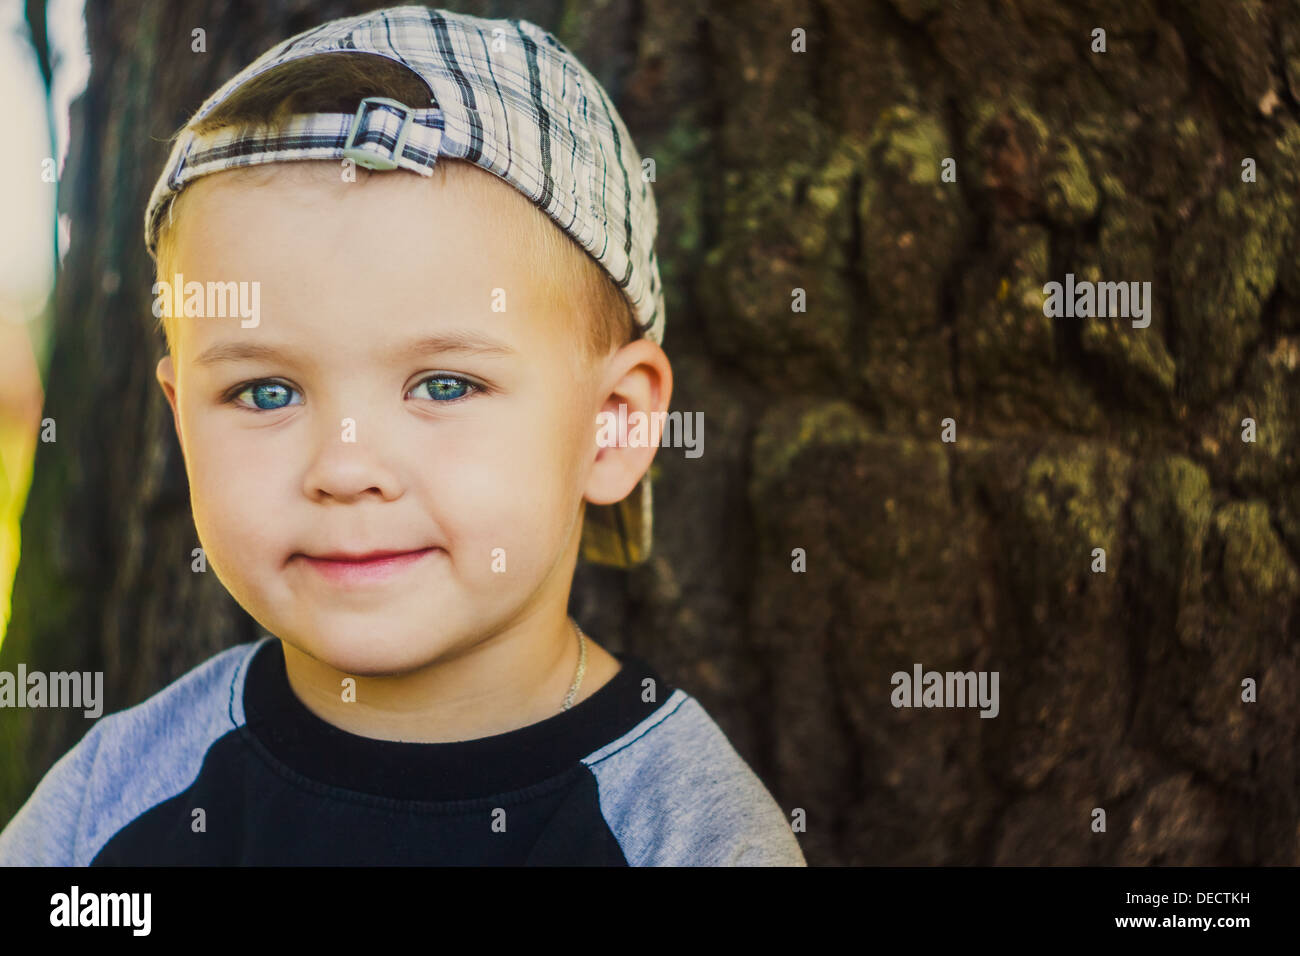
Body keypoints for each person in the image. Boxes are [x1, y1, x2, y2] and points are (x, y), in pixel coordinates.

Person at [0, 5, 805, 865]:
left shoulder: (688, 837)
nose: (346, 468)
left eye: (445, 384)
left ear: (613, 426)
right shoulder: (111, 802)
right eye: (264, 391)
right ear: (181, 422)